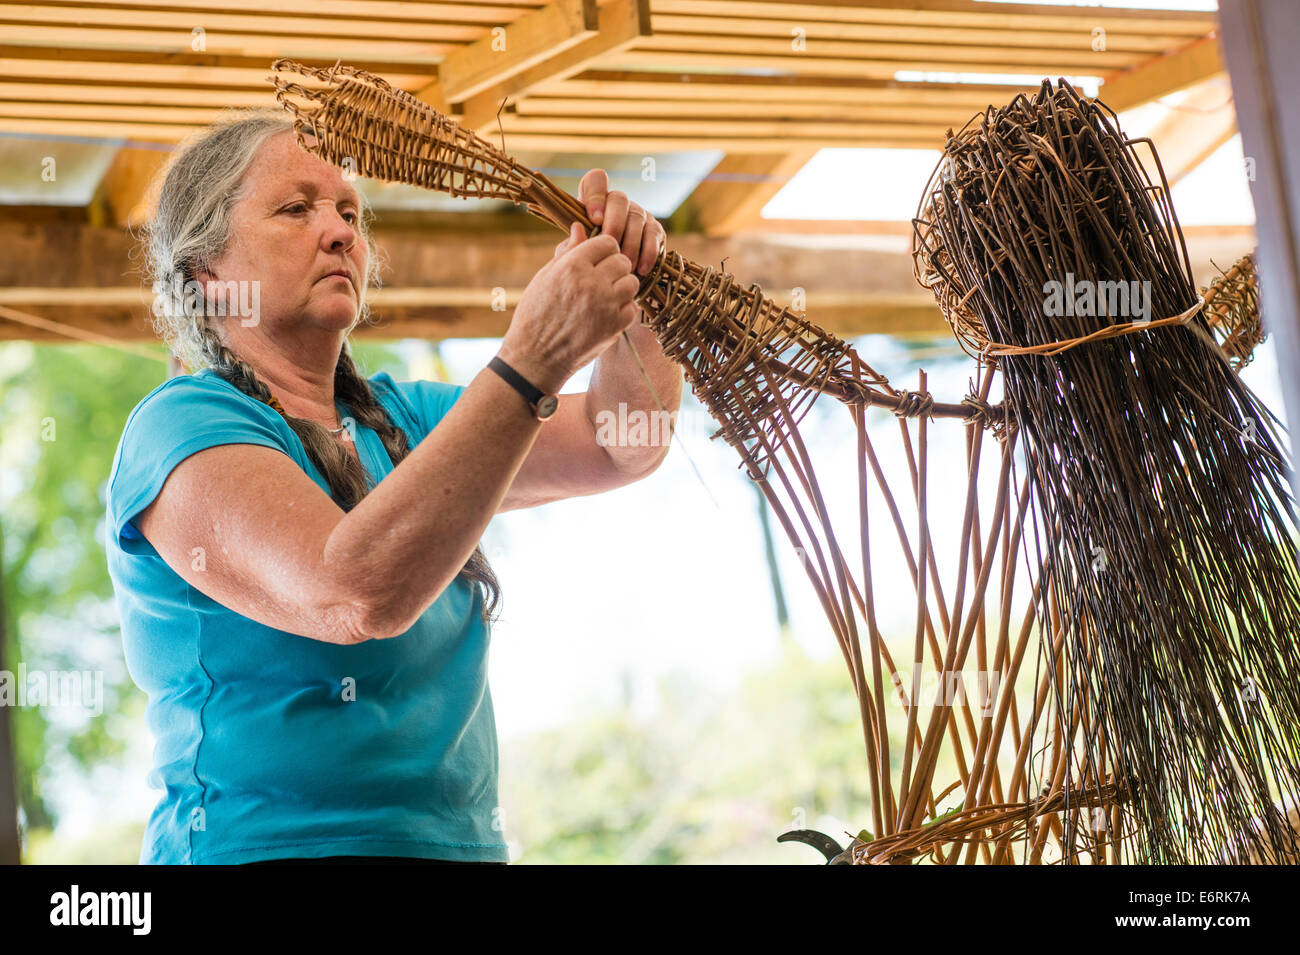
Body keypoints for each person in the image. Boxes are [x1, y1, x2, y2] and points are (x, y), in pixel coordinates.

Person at [104, 110, 683, 865]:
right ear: (206, 275)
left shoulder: (402, 422)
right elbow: (353, 592)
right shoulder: (181, 427)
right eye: (296, 208)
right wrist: (533, 359)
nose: (341, 230)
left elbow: (622, 442)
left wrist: (644, 292)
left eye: (348, 211)